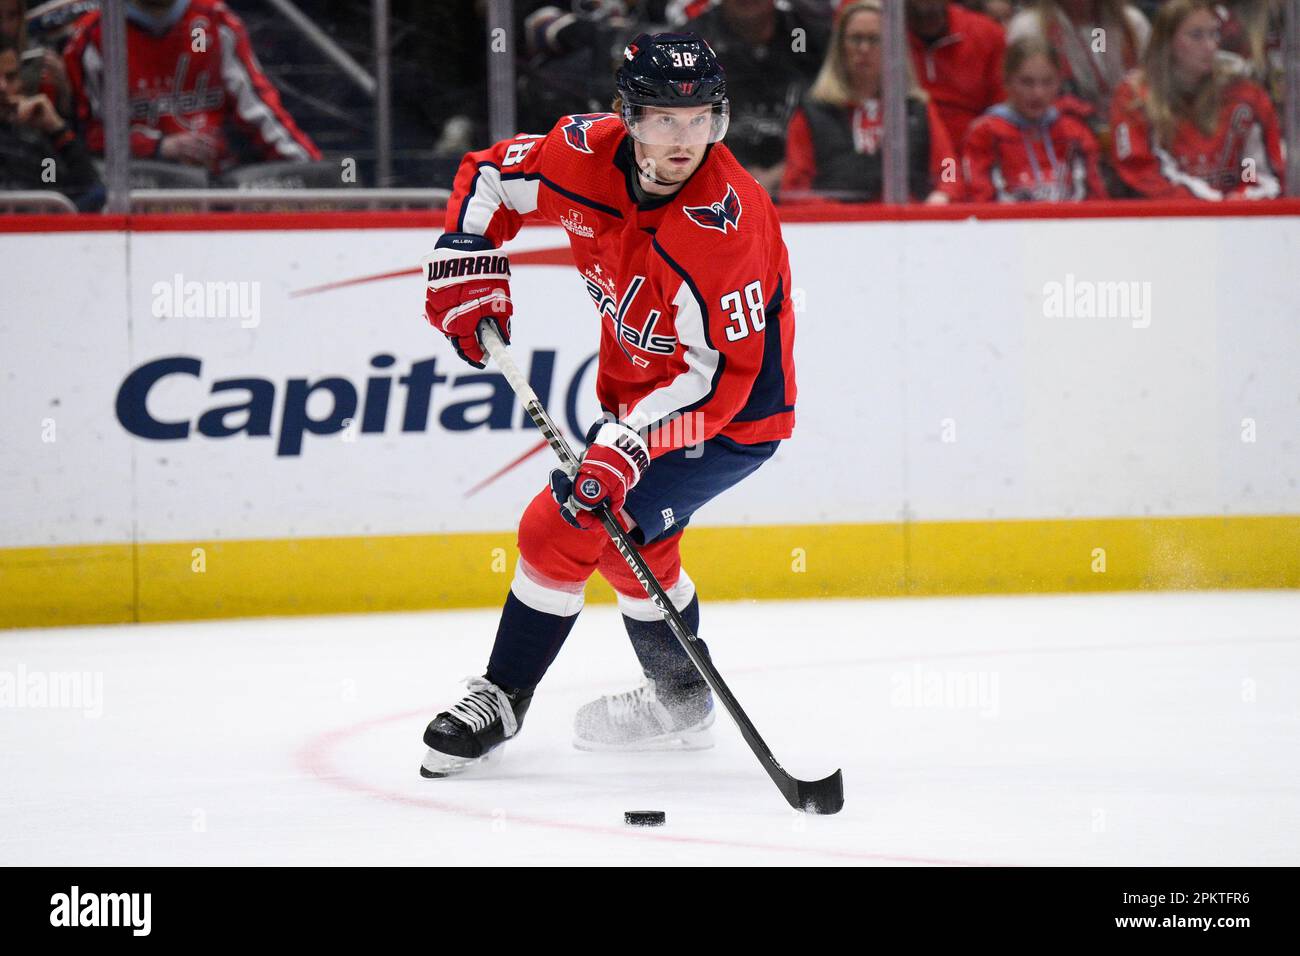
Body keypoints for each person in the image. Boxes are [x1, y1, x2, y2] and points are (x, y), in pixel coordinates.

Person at [418, 32, 797, 775]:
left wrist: (629, 441)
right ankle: (682, 700)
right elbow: (491, 176)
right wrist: (470, 262)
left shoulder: (725, 222)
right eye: (662, 119)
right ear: (626, 117)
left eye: (701, 121)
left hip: (733, 419)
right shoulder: (579, 156)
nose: (684, 140)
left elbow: (724, 380)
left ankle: (500, 696)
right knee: (637, 547)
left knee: (570, 519)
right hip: (638, 399)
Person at [62, 0, 320, 173]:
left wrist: (315, 173)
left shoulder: (215, 20)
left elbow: (262, 114)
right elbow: (89, 138)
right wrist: (160, 147)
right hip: (134, 192)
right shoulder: (91, 37)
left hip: (215, 186)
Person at [782, 0, 961, 203]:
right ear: (840, 47)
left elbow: (949, 168)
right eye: (855, 39)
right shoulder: (813, 113)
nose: (864, 48)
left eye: (874, 39)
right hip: (837, 229)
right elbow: (795, 187)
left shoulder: (917, 110)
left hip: (910, 226)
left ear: (893, 47)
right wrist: (842, 219)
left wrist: (943, 195)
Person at [1109, 0, 1283, 200]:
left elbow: (1254, 169)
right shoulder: (1134, 98)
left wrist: (1243, 196)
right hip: (1166, 223)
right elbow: (1143, 171)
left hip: (1235, 221)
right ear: (1167, 42)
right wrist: (1211, 205)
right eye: (1196, 36)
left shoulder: (1244, 97)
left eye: (1214, 34)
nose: (1210, 46)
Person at [686, 0, 829, 192]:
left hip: (805, 187)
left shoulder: (807, 37)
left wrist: (790, 169)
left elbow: (836, 115)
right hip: (713, 184)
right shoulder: (691, 42)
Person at [962, 36, 1107, 201]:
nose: (1038, 93)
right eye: (1026, 82)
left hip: (1071, 224)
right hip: (1006, 225)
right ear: (1007, 82)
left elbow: (1095, 196)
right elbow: (979, 197)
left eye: (1047, 82)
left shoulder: (1075, 133)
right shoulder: (985, 133)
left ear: (1059, 82)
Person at [1006, 0, 1151, 133]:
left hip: (1129, 130)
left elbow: (1154, 88)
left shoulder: (1132, 23)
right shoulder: (1030, 28)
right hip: (1057, 136)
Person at [0, 36, 102, 209]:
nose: (2, 87)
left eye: (10, 77)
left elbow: (85, 190)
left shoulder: (37, 145)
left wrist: (56, 129)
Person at [907, 0, 1007, 148]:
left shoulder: (988, 34)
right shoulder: (878, 34)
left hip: (971, 151)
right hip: (903, 148)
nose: (928, 12)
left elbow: (1003, 114)